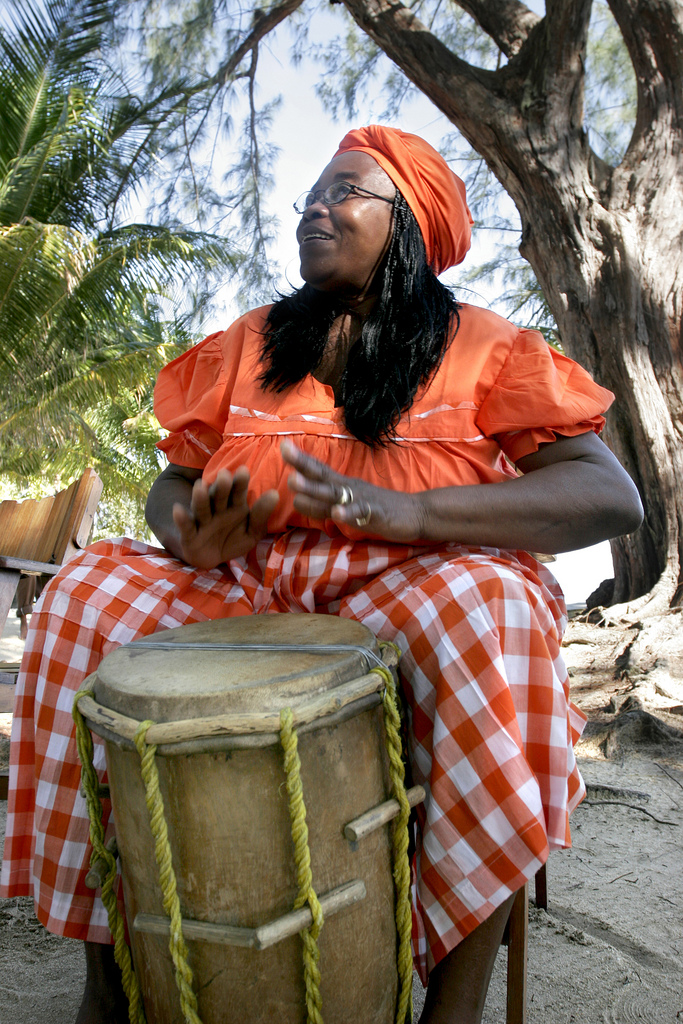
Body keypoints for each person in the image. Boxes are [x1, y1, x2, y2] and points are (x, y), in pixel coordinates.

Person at [1, 125, 643, 1024]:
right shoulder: (251, 341)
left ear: (409, 222)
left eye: (345, 191)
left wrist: (413, 515)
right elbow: (174, 482)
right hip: (247, 578)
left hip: (415, 578)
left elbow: (608, 496)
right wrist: (189, 538)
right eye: (310, 194)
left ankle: (453, 1007)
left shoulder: (487, 348)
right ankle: (107, 983)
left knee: (492, 608)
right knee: (83, 598)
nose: (315, 208)